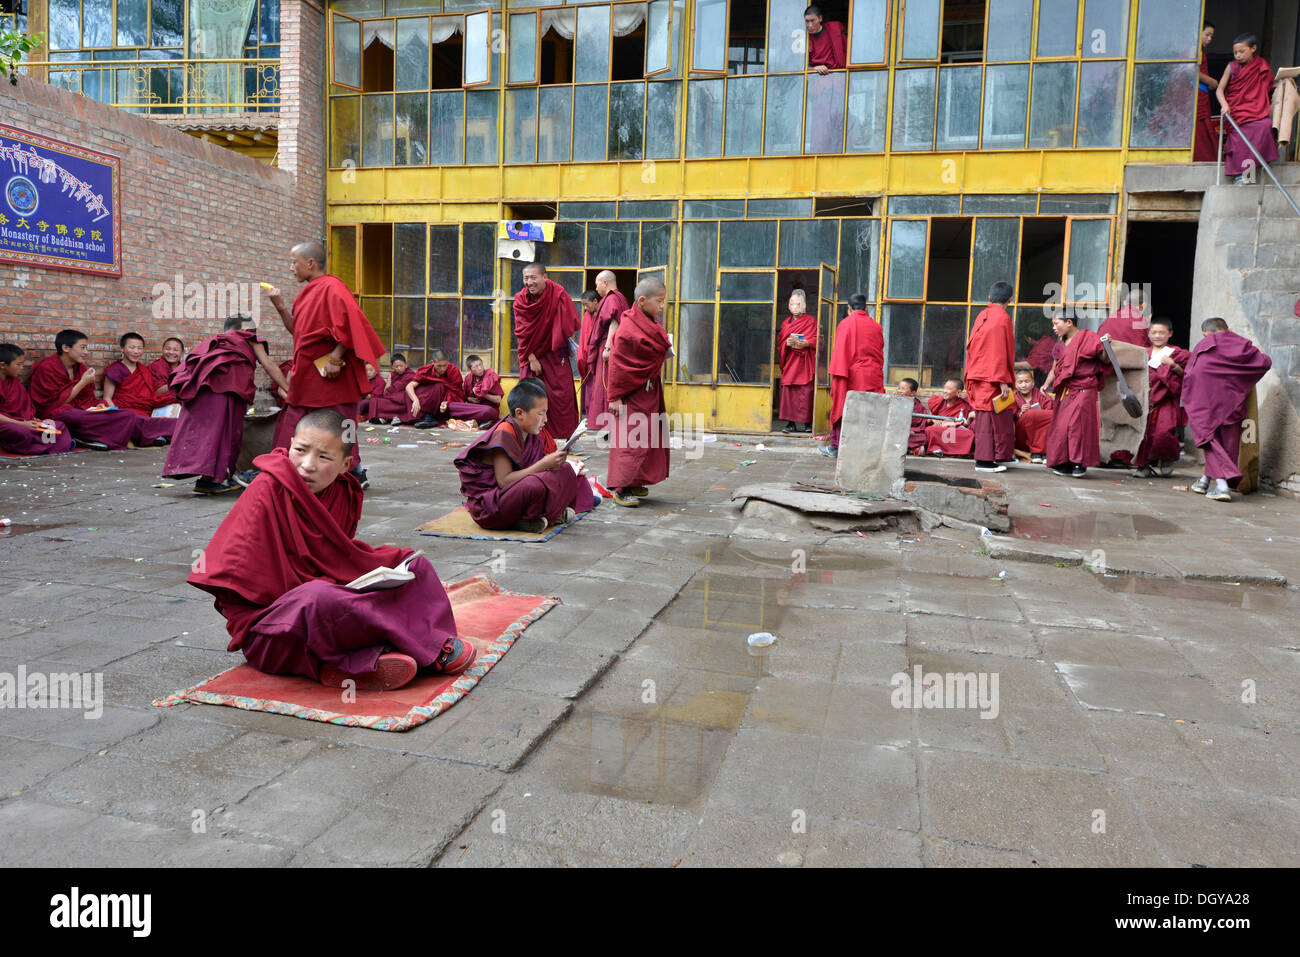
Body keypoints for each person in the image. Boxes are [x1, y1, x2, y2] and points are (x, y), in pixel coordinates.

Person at [189, 410, 474, 691]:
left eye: (324, 457)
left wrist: (355, 585)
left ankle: (378, 656)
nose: (307, 466)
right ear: (290, 445)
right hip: (275, 631)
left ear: (345, 464)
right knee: (319, 598)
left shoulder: (342, 492)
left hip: (329, 602)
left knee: (413, 565)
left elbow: (336, 557)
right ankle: (412, 649)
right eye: (300, 450)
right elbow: (236, 590)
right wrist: (332, 591)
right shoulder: (266, 489)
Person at [257, 240, 385, 490]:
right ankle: (286, 470)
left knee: (342, 420)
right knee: (296, 419)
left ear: (310, 263)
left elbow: (352, 323)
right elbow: (299, 334)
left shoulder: (332, 287)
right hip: (308, 372)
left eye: (293, 262)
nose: (291, 268)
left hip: (330, 372)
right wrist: (280, 307)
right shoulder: (307, 292)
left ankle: (354, 470)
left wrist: (336, 357)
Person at [163, 315, 291, 494]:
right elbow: (269, 365)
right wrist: (289, 390)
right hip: (225, 391)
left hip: (200, 393)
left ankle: (206, 480)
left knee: (207, 435)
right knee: (225, 434)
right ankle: (215, 480)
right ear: (248, 331)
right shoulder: (249, 339)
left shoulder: (213, 344)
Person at [454, 379, 595, 533]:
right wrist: (544, 464)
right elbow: (504, 482)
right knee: (534, 485)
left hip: (516, 495)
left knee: (566, 470)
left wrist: (554, 460)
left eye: (546, 413)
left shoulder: (530, 432)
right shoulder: (504, 433)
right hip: (492, 506)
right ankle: (537, 517)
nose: (546, 419)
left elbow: (534, 468)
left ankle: (529, 519)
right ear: (520, 413)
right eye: (541, 414)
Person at [26, 329, 174, 450]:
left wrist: (99, 405)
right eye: (82, 347)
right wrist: (82, 382)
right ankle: (95, 437)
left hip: (83, 409)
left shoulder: (79, 368)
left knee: (127, 416)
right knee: (119, 417)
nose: (86, 352)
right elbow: (54, 405)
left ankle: (175, 428)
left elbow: (87, 399)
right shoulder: (47, 368)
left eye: (86, 348)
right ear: (66, 348)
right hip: (57, 413)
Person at [1182, 317, 1273, 501]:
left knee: (1210, 442)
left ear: (1206, 333)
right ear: (1228, 329)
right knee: (1228, 446)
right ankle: (1204, 481)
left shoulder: (1204, 345)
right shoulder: (1242, 344)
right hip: (1233, 405)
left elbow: (1191, 374)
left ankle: (1222, 487)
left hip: (1207, 405)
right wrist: (1262, 355)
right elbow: (1264, 362)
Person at [606, 277, 673, 508]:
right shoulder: (627, 328)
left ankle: (634, 481)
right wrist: (614, 397)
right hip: (631, 394)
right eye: (659, 301)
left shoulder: (648, 321)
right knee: (630, 441)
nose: (662, 306)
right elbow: (617, 365)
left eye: (663, 301)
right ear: (643, 300)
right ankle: (620, 487)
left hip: (648, 390)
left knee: (647, 438)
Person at [513, 263, 580, 446]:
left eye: (533, 277)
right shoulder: (521, 301)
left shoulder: (558, 294)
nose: (529, 282)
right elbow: (521, 333)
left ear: (544, 277)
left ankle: (566, 438)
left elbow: (568, 324)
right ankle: (531, 440)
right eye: (526, 278)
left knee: (562, 397)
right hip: (531, 356)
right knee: (530, 397)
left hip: (554, 355)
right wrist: (532, 358)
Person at [1044, 315, 1108, 478]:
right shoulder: (1059, 345)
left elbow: (1105, 359)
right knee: (1062, 426)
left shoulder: (1089, 338)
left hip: (1084, 387)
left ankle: (1079, 462)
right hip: (1066, 390)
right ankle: (1065, 462)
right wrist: (1046, 384)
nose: (1053, 328)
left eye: (1056, 323)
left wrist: (1106, 345)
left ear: (1069, 322)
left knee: (1077, 425)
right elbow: (1055, 368)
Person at [822, 293, 884, 457]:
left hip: (853, 376)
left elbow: (841, 353)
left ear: (849, 308)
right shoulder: (876, 326)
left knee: (844, 408)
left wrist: (838, 378)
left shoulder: (845, 323)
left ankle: (837, 447)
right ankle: (866, 449)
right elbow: (880, 351)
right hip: (873, 376)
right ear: (867, 308)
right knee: (869, 412)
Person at [965, 281, 1017, 472]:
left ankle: (1001, 456)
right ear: (1010, 299)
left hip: (981, 373)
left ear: (989, 298)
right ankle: (984, 461)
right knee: (987, 417)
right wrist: (1002, 380)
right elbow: (998, 350)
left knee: (1001, 416)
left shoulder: (983, 315)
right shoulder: (1001, 318)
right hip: (991, 376)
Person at [1132, 317, 1191, 478]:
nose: (1157, 336)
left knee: (1164, 433)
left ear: (1170, 334)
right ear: (1148, 334)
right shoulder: (1143, 353)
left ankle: (1166, 460)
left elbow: (1188, 376)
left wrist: (1173, 365)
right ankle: (1143, 465)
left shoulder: (1177, 353)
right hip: (1145, 400)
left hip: (1166, 399)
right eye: (1154, 332)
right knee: (1144, 434)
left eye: (1161, 332)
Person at [1217, 33, 1278, 183]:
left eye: (1242, 51)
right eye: (1235, 52)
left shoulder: (1261, 64)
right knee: (1242, 136)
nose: (1238, 55)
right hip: (1237, 111)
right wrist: (1224, 105)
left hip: (1256, 109)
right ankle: (1242, 175)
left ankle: (1250, 173)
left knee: (1265, 125)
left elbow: (1267, 86)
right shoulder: (1231, 67)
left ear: (1253, 48)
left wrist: (1282, 83)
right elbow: (1219, 90)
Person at [0, 343, 75, 456]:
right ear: (2, 365)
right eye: (18, 364)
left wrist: (31, 419)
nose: (21, 368)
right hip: (8, 424)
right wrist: (22, 424)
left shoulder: (13, 381)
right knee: (19, 431)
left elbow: (23, 407)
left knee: (58, 425)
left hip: (24, 422)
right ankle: (48, 446)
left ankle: (41, 445)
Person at [409, 349, 498, 428]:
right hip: (433, 405)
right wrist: (415, 400)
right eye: (439, 366)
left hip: (450, 406)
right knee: (435, 387)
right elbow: (409, 386)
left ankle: (481, 418)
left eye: (445, 365)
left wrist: (447, 402)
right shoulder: (468, 378)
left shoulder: (489, 376)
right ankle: (429, 417)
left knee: (487, 410)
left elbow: (458, 393)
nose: (443, 369)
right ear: (433, 362)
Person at [590, 271, 630, 436]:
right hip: (611, 345)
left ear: (605, 283)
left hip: (609, 347)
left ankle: (609, 426)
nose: (596, 288)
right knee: (603, 385)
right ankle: (607, 426)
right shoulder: (619, 298)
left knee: (606, 385)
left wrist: (607, 348)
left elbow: (615, 322)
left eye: (597, 284)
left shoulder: (613, 298)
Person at [103, 333, 169, 422]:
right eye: (132, 347)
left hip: (145, 411)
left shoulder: (144, 371)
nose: (136, 351)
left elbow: (150, 395)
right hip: (123, 412)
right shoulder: (115, 370)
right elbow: (107, 398)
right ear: (122, 348)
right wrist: (116, 416)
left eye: (139, 348)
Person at [776, 290, 817, 434]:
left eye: (798, 304)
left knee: (806, 392)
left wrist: (807, 343)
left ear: (804, 305)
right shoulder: (786, 323)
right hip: (791, 362)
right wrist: (786, 344)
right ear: (788, 306)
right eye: (792, 304)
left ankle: (807, 423)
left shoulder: (810, 321)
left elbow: (817, 339)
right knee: (789, 392)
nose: (795, 307)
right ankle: (790, 423)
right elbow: (780, 341)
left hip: (804, 362)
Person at [1012, 363, 1055, 464]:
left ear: (1033, 383)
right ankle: (1039, 451)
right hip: (1022, 436)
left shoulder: (1042, 395)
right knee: (1030, 415)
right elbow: (1009, 418)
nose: (1023, 385)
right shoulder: (1013, 398)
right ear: (1015, 385)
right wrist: (1021, 413)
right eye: (1020, 382)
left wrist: (1038, 416)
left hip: (1043, 434)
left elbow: (1052, 414)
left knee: (1048, 418)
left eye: (1027, 381)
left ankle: (1042, 452)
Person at [923, 379, 975, 457]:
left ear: (958, 392)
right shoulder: (938, 402)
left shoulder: (964, 405)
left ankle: (941, 450)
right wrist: (933, 418)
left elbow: (964, 424)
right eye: (944, 388)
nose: (945, 391)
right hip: (939, 429)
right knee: (929, 430)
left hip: (953, 430)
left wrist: (951, 423)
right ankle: (939, 449)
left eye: (949, 389)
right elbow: (927, 420)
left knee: (969, 434)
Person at [366, 353, 416, 424]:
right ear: (392, 367)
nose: (399, 368)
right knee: (373, 401)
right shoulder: (392, 375)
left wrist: (394, 395)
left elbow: (409, 391)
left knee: (404, 400)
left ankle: (387, 417)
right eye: (396, 366)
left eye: (401, 366)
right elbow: (386, 391)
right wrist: (390, 379)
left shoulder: (410, 375)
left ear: (406, 364)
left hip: (402, 403)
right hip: (391, 399)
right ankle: (388, 417)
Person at [1195, 22, 1220, 162]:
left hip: (1200, 94)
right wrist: (1211, 82)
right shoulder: (1193, 50)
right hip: (1194, 95)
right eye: (1207, 35)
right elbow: (1190, 71)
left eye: (1212, 36)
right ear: (1197, 33)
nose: (1209, 39)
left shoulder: (1200, 52)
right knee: (1198, 129)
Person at [577, 290, 601, 420]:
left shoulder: (604, 314)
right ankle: (590, 416)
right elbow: (585, 339)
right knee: (590, 390)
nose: (585, 308)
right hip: (588, 359)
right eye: (583, 305)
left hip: (600, 358)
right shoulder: (587, 316)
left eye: (587, 304)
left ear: (595, 301)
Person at [804, 4, 846, 72]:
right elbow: (799, 66)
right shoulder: (804, 39)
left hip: (837, 73)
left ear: (820, 18)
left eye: (812, 20)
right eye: (807, 21)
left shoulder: (834, 30)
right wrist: (815, 68)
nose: (810, 25)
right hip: (815, 76)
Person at [463, 355, 504, 421]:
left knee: (486, 411)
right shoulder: (468, 378)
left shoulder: (490, 376)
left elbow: (498, 399)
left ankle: (473, 419)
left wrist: (483, 394)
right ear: (469, 369)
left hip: (488, 408)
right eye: (476, 366)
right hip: (474, 407)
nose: (480, 368)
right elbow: (465, 396)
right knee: (458, 407)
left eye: (480, 364)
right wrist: (469, 399)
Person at [148, 337, 185, 407]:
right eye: (167, 349)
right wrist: (181, 383)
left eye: (175, 350)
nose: (171, 352)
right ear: (162, 350)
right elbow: (157, 392)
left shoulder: (184, 369)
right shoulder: (156, 366)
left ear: (182, 352)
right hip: (160, 404)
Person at [896, 377, 927, 455]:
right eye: (899, 388)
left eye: (903, 389)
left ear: (913, 393)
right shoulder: (894, 402)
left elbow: (922, 424)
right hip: (896, 431)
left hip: (911, 433)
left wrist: (913, 430)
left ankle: (907, 449)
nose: (899, 391)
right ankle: (913, 449)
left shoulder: (918, 406)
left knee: (924, 438)